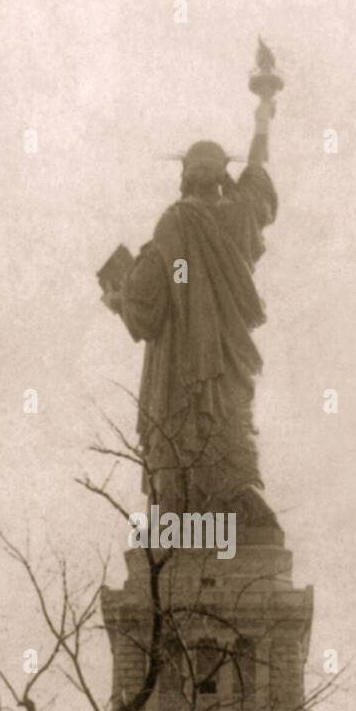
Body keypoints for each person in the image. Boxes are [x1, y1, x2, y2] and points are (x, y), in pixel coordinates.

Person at [102, 96, 279, 529]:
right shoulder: (238, 218)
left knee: (185, 427)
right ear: (223, 175)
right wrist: (262, 118)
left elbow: (153, 296)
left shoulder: (175, 223)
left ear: (184, 177)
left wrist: (120, 298)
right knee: (231, 422)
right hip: (226, 356)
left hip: (183, 363)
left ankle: (186, 512)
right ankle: (233, 504)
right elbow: (256, 180)